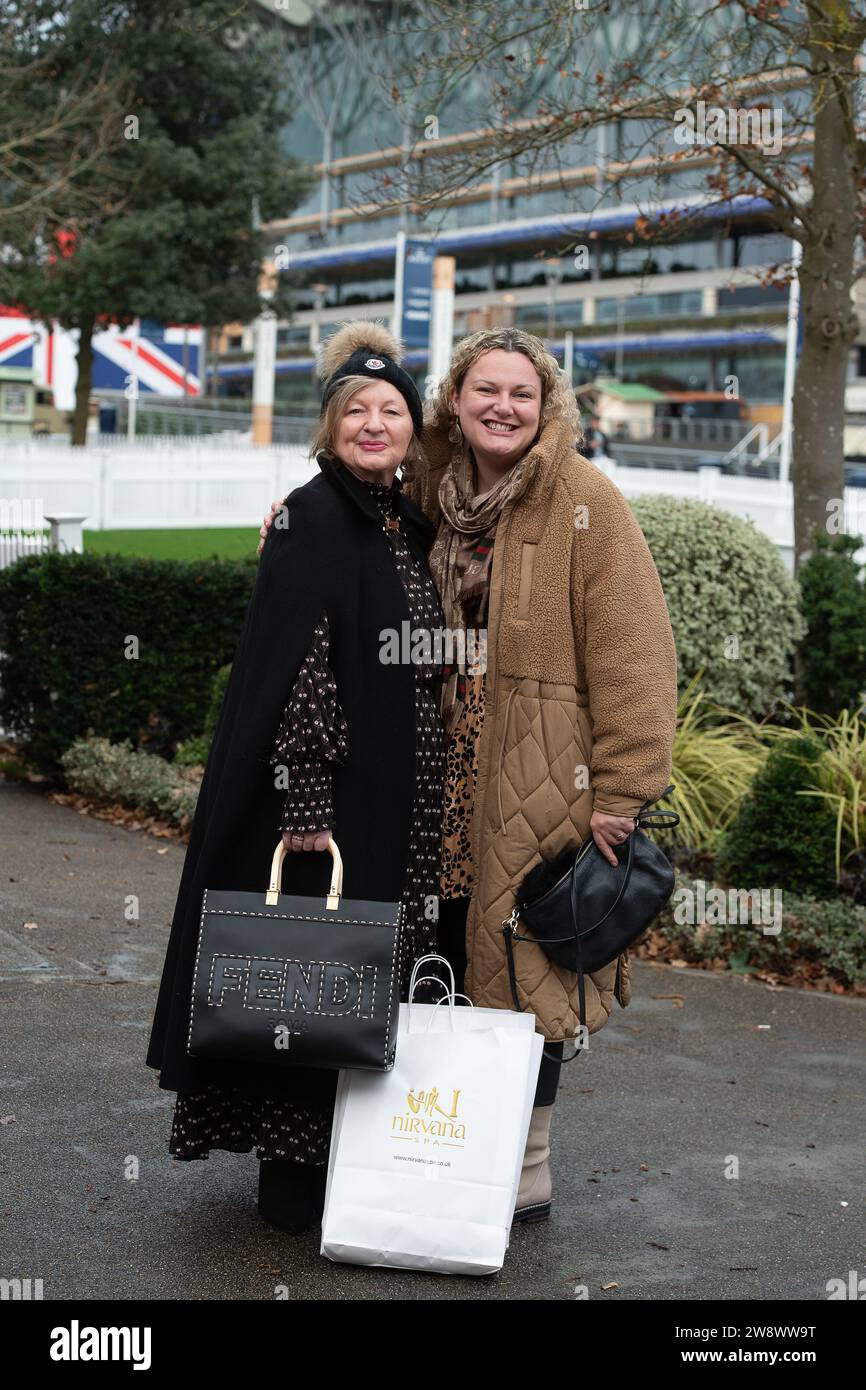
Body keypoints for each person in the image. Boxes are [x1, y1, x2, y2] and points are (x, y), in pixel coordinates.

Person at [260, 325, 679, 1225]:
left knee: (531, 962)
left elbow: (637, 656)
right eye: (486, 390)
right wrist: (285, 513)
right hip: (431, 772)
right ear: (455, 399)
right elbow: (344, 493)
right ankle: (431, 1139)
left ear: (548, 406)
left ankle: (524, 1163)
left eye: (523, 394)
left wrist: (624, 792)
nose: (504, 408)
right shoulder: (430, 490)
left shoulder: (583, 499)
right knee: (447, 954)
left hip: (538, 771)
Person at [147, 321, 447, 1236]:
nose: (373, 422)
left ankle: (352, 1176)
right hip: (336, 802)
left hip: (402, 798)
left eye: (391, 410)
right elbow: (301, 670)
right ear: (330, 427)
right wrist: (307, 797)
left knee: (357, 986)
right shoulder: (316, 516)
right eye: (355, 408)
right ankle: (293, 1192)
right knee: (312, 980)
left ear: (412, 432)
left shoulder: (402, 517)